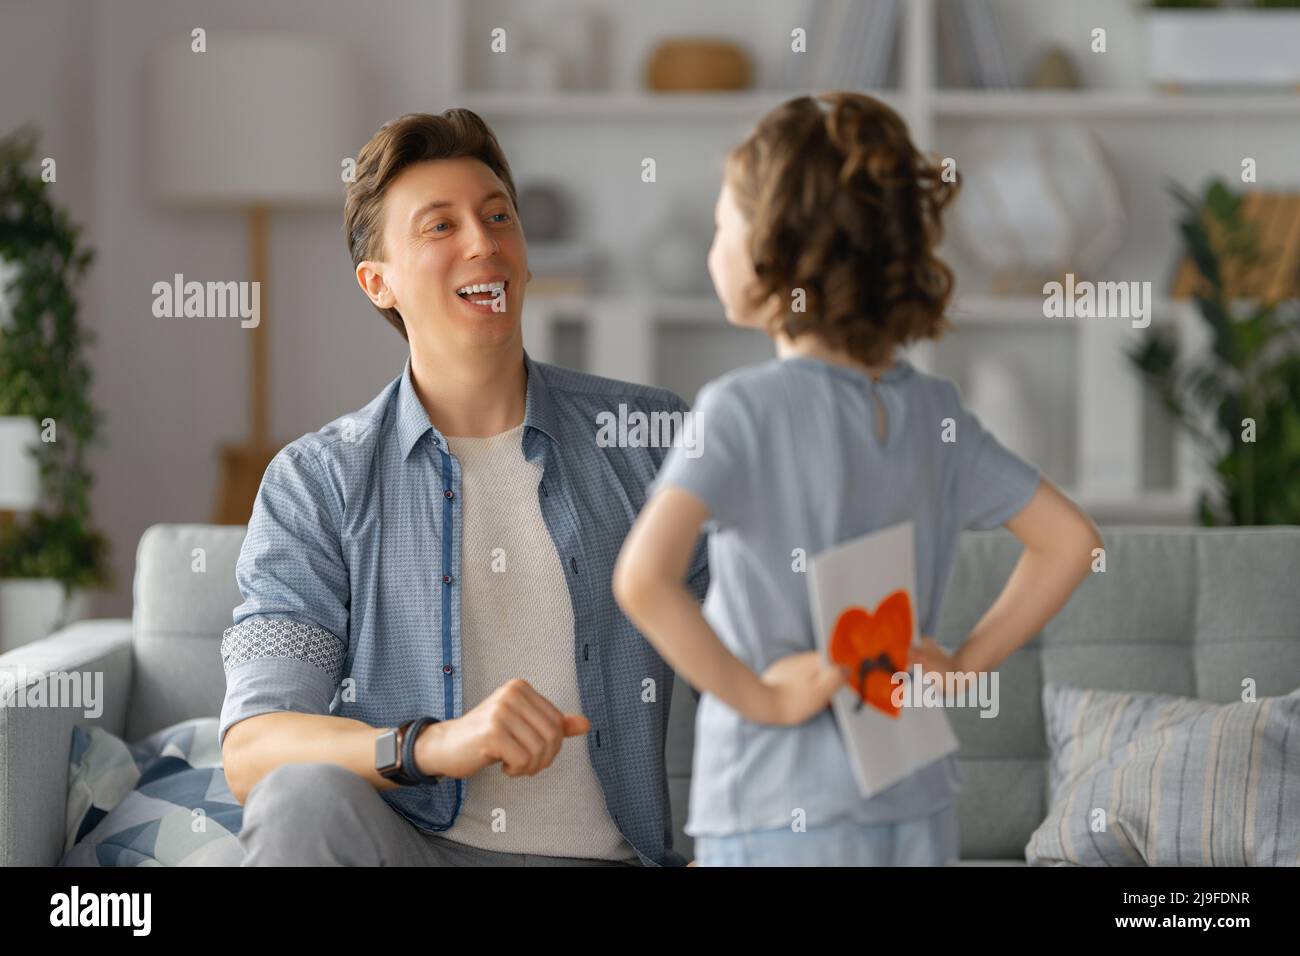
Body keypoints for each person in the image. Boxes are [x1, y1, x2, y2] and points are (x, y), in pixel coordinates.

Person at [613, 92, 1103, 867]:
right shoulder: (937, 414)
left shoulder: (740, 410)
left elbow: (643, 580)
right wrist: (965, 665)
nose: (713, 246)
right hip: (916, 799)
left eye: (721, 225)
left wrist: (763, 698)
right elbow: (1071, 542)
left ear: (776, 245)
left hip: (773, 805)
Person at [219, 109, 710, 867]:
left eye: (496, 216)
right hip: (416, 848)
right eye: (439, 227)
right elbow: (255, 748)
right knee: (297, 795)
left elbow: (767, 626)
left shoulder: (648, 437)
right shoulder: (317, 482)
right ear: (378, 283)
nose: (483, 242)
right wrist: (435, 744)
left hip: (610, 858)